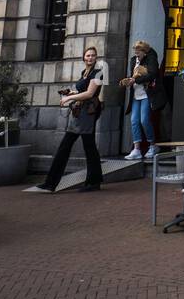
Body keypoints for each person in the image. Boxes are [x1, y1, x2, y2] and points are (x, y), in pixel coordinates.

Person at [33, 47, 107, 194]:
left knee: (82, 147)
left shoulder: (98, 73)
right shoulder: (84, 73)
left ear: (96, 58)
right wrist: (71, 92)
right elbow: (82, 91)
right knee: (83, 147)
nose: (90, 58)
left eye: (93, 55)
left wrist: (69, 98)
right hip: (80, 113)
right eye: (88, 55)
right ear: (84, 57)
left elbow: (90, 93)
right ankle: (54, 182)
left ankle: (53, 183)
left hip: (88, 113)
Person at [120, 39, 161, 160]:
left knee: (144, 120)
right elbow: (132, 76)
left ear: (145, 51)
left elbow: (153, 74)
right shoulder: (133, 60)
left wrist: (136, 80)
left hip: (146, 94)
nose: (136, 53)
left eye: (139, 51)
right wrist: (128, 81)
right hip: (136, 95)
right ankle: (137, 149)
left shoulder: (150, 59)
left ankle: (153, 145)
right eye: (135, 50)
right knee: (134, 121)